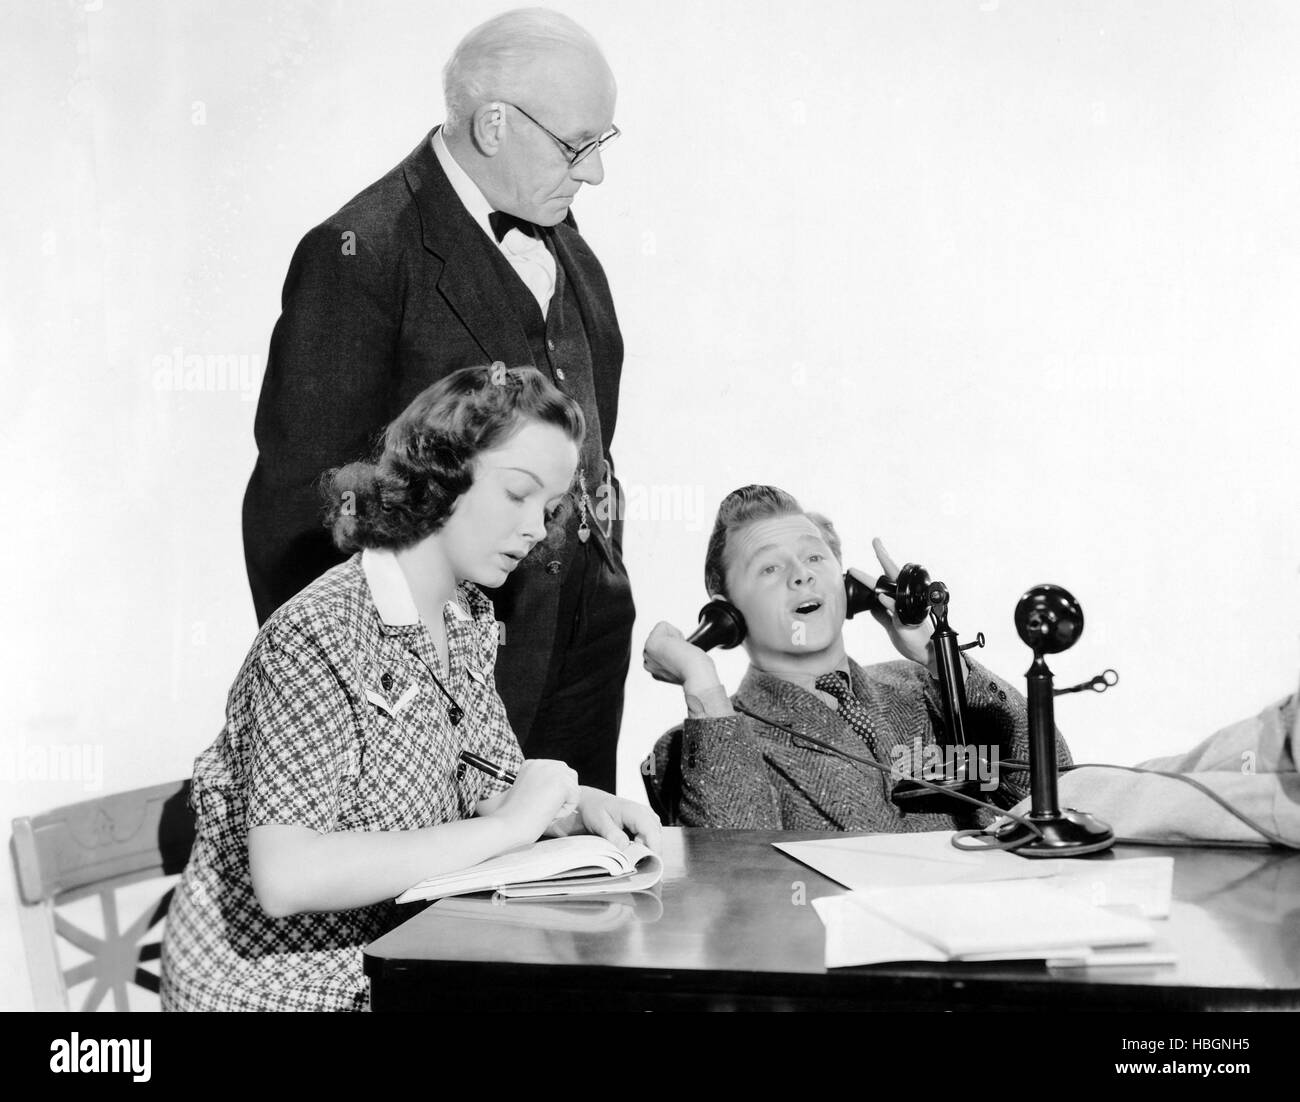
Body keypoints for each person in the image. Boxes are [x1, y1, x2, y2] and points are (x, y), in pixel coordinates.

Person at [162, 365, 659, 1012]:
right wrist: (511, 827)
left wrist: (574, 805)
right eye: (518, 494)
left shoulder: (466, 618)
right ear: (440, 476)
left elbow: (483, 781)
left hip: (394, 973)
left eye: (551, 507)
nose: (538, 529)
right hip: (270, 994)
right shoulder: (318, 634)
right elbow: (286, 876)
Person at [241, 8, 632, 790]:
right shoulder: (361, 252)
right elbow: (298, 508)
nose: (594, 173)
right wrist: (361, 700)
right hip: (436, 685)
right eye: (577, 145)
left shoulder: (564, 240)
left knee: (580, 891)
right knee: (448, 908)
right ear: (493, 124)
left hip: (584, 657)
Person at [641, 485, 1071, 830]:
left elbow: (1057, 792)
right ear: (726, 613)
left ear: (847, 586)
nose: (802, 574)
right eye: (770, 568)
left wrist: (940, 658)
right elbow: (733, 886)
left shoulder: (927, 688)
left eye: (814, 557)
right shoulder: (705, 741)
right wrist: (700, 681)